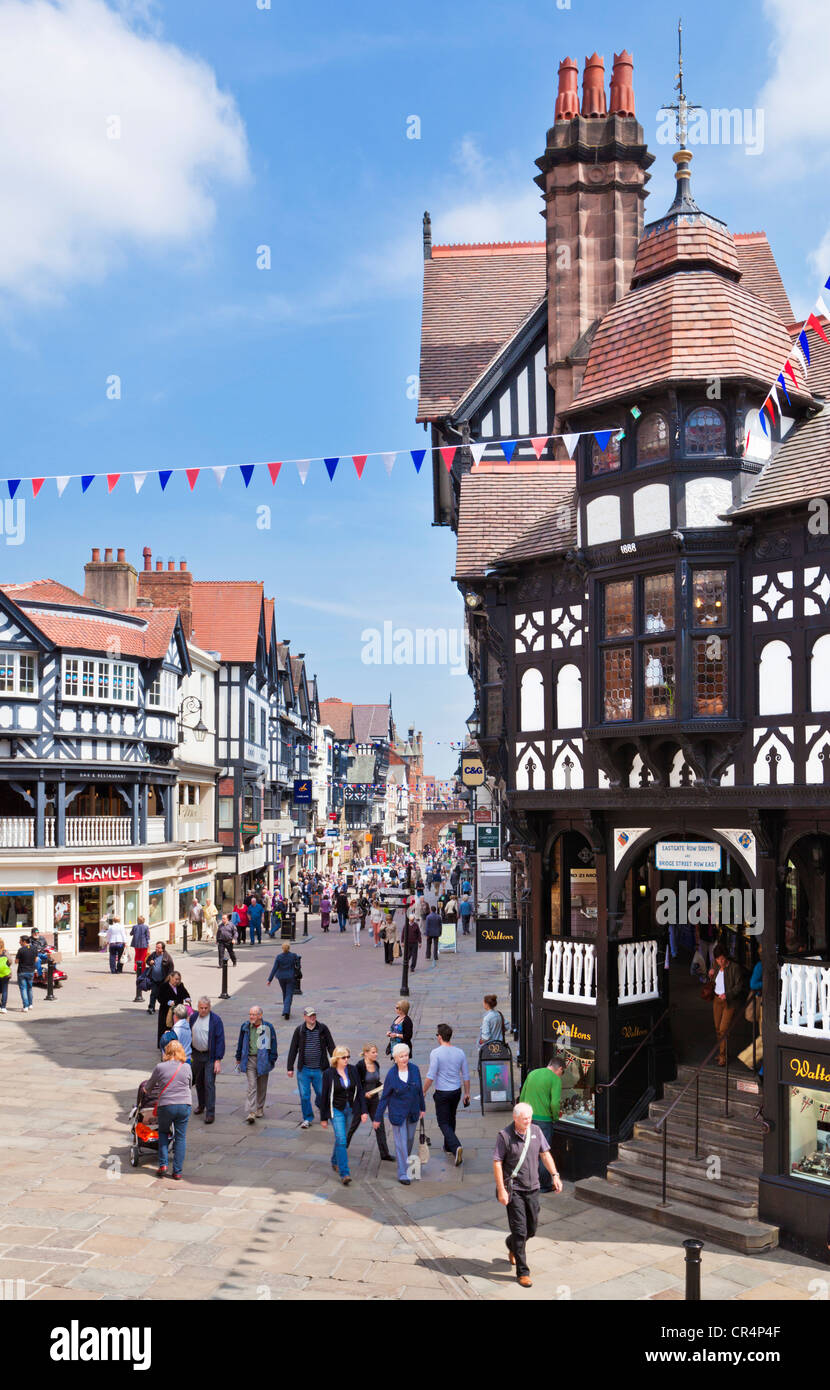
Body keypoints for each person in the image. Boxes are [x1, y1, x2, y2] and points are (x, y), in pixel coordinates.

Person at [493, 1101, 562, 1287]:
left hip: (533, 1188)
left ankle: (511, 1243)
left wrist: (555, 1175)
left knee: (531, 1229)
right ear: (515, 1118)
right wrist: (501, 1189)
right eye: (524, 1119)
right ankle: (523, 1272)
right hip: (514, 1190)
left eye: (530, 1118)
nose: (527, 1121)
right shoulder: (505, 1136)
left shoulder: (536, 1131)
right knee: (520, 1230)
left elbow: (545, 1154)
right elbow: (497, 1162)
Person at [374, 1043, 426, 1186]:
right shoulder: (391, 1075)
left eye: (406, 1055)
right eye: (401, 1056)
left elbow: (419, 1090)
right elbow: (384, 1098)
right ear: (395, 1058)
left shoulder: (414, 1070)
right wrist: (378, 1117)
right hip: (397, 1114)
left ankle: (404, 1160)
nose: (404, 1058)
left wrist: (422, 1107)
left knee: (409, 1140)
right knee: (401, 1143)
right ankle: (403, 1173)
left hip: (413, 1111)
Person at [143, 1040, 193, 1180]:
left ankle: (163, 1165)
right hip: (184, 1104)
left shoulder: (160, 1067)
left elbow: (149, 1087)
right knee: (180, 1137)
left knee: (163, 1132)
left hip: (166, 1105)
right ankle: (177, 1171)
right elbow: (189, 1084)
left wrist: (145, 1090)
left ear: (167, 1052)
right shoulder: (187, 1067)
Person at [320, 1046, 368, 1185]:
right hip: (336, 1110)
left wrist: (364, 1111)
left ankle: (335, 1160)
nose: (346, 1059)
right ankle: (344, 1173)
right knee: (341, 1140)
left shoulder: (353, 1070)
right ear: (336, 1059)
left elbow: (359, 1091)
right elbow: (324, 1096)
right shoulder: (329, 1073)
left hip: (351, 1109)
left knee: (343, 1138)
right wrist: (323, 1118)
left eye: (348, 1057)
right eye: (343, 1057)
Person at [423, 1023, 470, 1166]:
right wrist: (467, 1093)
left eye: (437, 1035)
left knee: (443, 1122)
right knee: (451, 1117)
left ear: (440, 1037)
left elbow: (431, 1076)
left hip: (442, 1092)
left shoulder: (436, 1053)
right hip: (456, 1091)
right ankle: (448, 1146)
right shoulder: (460, 1052)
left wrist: (423, 1090)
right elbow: (466, 1075)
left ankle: (456, 1147)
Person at [519, 1057, 565, 1192]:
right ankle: (543, 1185)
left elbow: (522, 1095)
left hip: (527, 1118)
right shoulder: (555, 1079)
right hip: (544, 1120)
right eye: (562, 1073)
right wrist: (555, 1117)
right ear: (560, 1069)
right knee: (543, 1153)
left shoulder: (532, 1073)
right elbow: (555, 1103)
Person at [287, 1006, 336, 1128]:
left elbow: (331, 1046)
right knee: (304, 1095)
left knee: (321, 1093)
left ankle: (321, 1106)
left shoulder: (323, 1029)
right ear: (304, 1017)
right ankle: (308, 1118)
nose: (312, 1017)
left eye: (314, 1015)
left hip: (320, 1069)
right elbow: (293, 1049)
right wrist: (290, 1067)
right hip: (304, 1069)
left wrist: (336, 1062)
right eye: (310, 1016)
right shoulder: (299, 1030)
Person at [347, 1043, 394, 1162]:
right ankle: (342, 1148)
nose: (376, 1054)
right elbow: (356, 1084)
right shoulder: (360, 1066)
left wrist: (382, 1086)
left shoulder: (376, 1064)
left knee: (379, 1125)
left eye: (376, 1052)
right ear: (366, 1053)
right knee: (352, 1126)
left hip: (374, 1100)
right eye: (373, 1052)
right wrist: (363, 1094)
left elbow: (376, 1081)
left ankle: (385, 1153)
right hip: (361, 1100)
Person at [235, 1005, 278, 1122]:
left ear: (260, 1015)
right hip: (249, 1059)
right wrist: (238, 1057)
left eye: (253, 1014)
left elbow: (273, 1043)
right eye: (250, 1014)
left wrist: (272, 1059)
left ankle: (259, 1108)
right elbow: (240, 1042)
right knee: (252, 1086)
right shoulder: (245, 1027)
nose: (251, 1017)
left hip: (263, 1060)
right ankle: (251, 1112)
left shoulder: (267, 1027)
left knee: (262, 1086)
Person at [189, 995, 225, 1124]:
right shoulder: (193, 1017)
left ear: (209, 1007)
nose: (203, 1010)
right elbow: (189, 1034)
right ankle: (201, 1105)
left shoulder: (215, 1020)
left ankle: (210, 1112)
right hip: (196, 1055)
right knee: (198, 1082)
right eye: (201, 1008)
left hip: (210, 1056)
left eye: (205, 1008)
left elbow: (220, 1040)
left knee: (209, 1083)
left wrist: (218, 1060)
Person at [709, 943, 745, 1066]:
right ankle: (721, 1052)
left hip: (729, 1002)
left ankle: (723, 1056)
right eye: (718, 959)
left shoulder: (734, 968)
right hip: (717, 1000)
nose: (721, 961)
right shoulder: (716, 965)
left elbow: (739, 986)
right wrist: (710, 975)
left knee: (723, 1029)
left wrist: (727, 994)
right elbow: (714, 983)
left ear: (726, 957)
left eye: (722, 958)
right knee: (718, 1028)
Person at [267, 941, 302, 1019]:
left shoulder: (279, 957)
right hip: (290, 977)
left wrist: (270, 979)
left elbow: (274, 969)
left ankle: (286, 1009)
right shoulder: (293, 955)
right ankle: (286, 1011)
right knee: (289, 994)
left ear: (282, 948)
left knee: (285, 993)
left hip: (281, 977)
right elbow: (298, 965)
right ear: (289, 948)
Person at [156, 970, 191, 1046]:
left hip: (178, 1012)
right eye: (176, 979)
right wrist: (167, 1002)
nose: (177, 981)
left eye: (178, 979)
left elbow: (185, 994)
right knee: (165, 1028)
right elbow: (159, 998)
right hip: (166, 1011)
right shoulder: (164, 986)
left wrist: (187, 998)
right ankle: (164, 1045)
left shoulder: (180, 985)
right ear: (171, 977)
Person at [146, 941, 175, 1014]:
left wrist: (169, 979)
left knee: (163, 995)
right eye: (156, 947)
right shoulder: (153, 954)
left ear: (162, 949)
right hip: (154, 979)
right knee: (153, 994)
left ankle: (166, 1008)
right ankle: (151, 1008)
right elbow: (147, 960)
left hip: (163, 980)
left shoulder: (167, 957)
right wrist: (150, 962)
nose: (156, 949)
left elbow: (171, 968)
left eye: (158, 948)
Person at [15, 935, 37, 1014]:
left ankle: (25, 1006)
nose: (19, 942)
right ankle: (30, 1004)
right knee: (29, 988)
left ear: (24, 942)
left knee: (23, 989)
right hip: (31, 971)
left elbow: (16, 961)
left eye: (20, 941)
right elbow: (36, 959)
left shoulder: (21, 950)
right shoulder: (34, 948)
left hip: (22, 971)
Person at [0, 938, 10, 1013]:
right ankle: (3, 1007)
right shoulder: (5, 952)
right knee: (4, 990)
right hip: (5, 974)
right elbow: (10, 961)